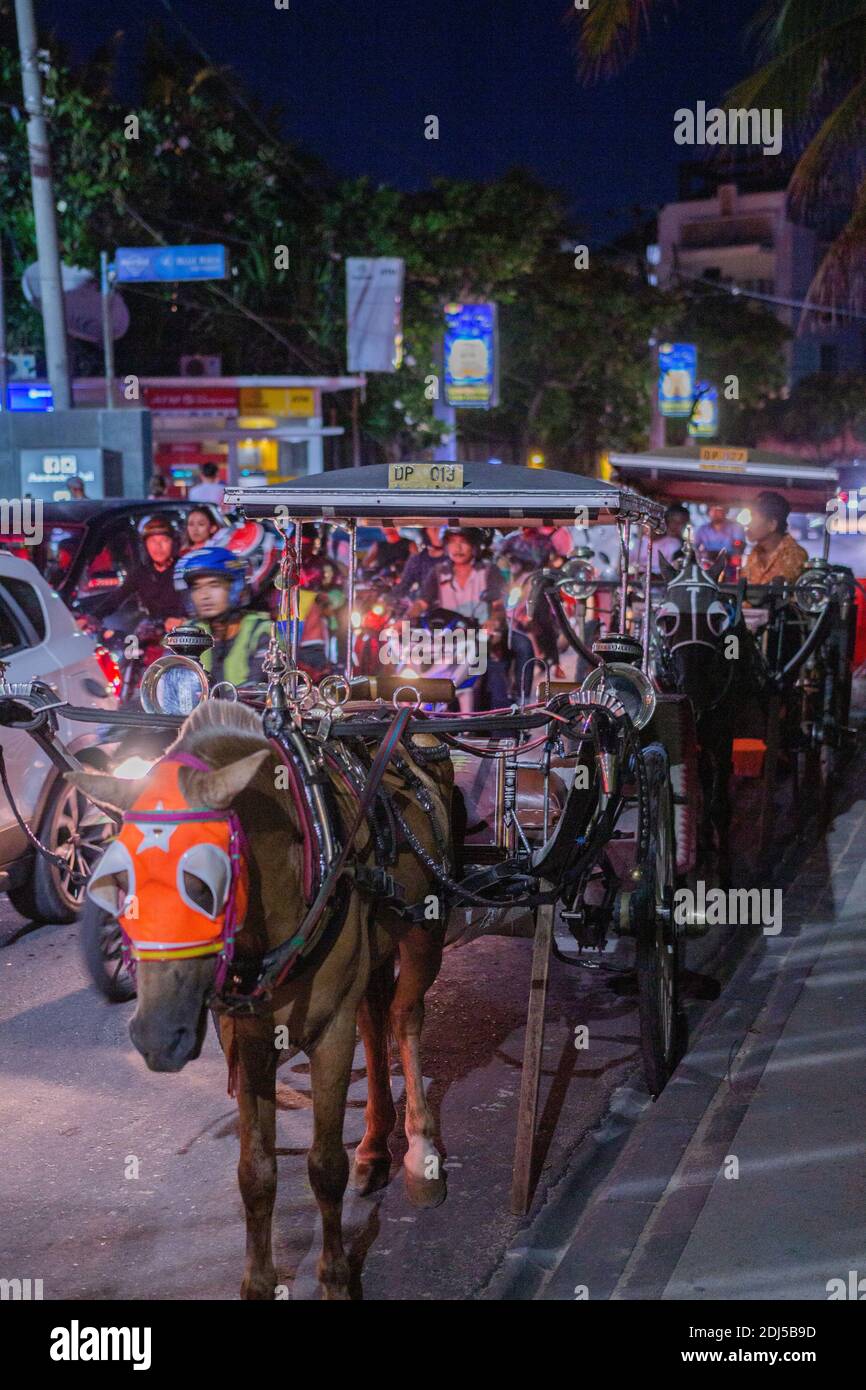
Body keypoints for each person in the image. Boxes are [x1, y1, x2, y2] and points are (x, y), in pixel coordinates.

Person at [174, 546, 272, 686]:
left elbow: (258, 689)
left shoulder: (260, 631)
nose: (204, 596)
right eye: (197, 587)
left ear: (236, 587)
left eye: (214, 585)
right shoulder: (189, 632)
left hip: (246, 708)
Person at [95, 514, 186, 624]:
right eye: (152, 541)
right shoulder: (141, 573)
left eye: (164, 540)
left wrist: (184, 621)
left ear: (174, 543)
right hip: (155, 632)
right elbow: (117, 598)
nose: (158, 547)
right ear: (145, 545)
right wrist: (93, 617)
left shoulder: (186, 569)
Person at [743, 491, 808, 586]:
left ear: (772, 525)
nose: (748, 524)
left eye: (753, 517)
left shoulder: (795, 556)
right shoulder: (755, 553)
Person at [634, 503, 690, 575]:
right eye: (674, 522)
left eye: (682, 524)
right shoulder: (640, 542)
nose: (678, 527)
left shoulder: (675, 544)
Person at [393, 526, 447, 598]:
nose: (440, 531)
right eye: (435, 529)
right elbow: (404, 584)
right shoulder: (418, 559)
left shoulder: (454, 556)